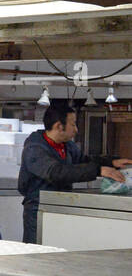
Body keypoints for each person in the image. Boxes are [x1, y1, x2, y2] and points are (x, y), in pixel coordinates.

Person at [17, 103, 131, 243]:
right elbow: (56, 172)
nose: (76, 130)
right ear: (59, 126)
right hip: (39, 209)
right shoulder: (34, 148)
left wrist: (111, 162)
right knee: (38, 252)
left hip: (61, 206)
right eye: (73, 124)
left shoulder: (68, 146)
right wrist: (98, 170)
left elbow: (83, 161)